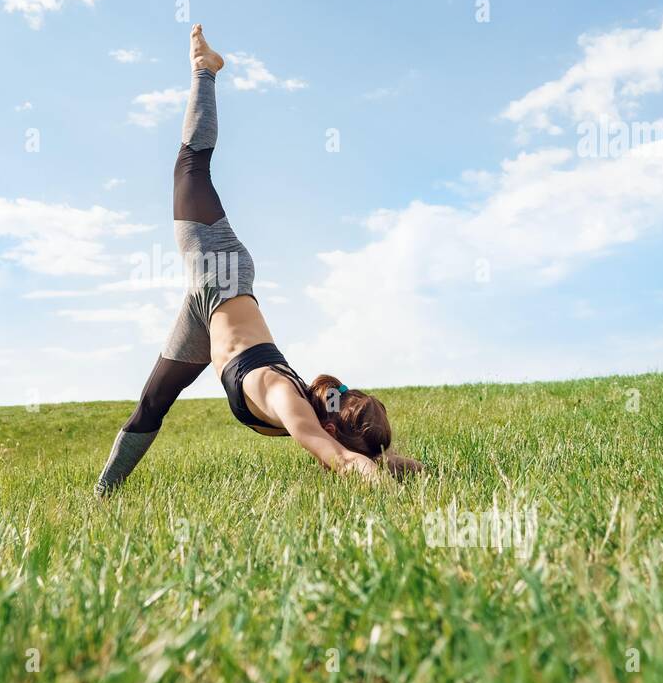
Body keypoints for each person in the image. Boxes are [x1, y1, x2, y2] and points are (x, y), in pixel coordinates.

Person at [95, 26, 421, 495]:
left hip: (205, 311)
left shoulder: (311, 407)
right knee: (191, 165)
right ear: (332, 431)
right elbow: (342, 460)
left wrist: (420, 471)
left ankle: (101, 496)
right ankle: (205, 69)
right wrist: (383, 487)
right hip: (221, 272)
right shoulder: (289, 400)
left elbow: (363, 456)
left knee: (154, 400)